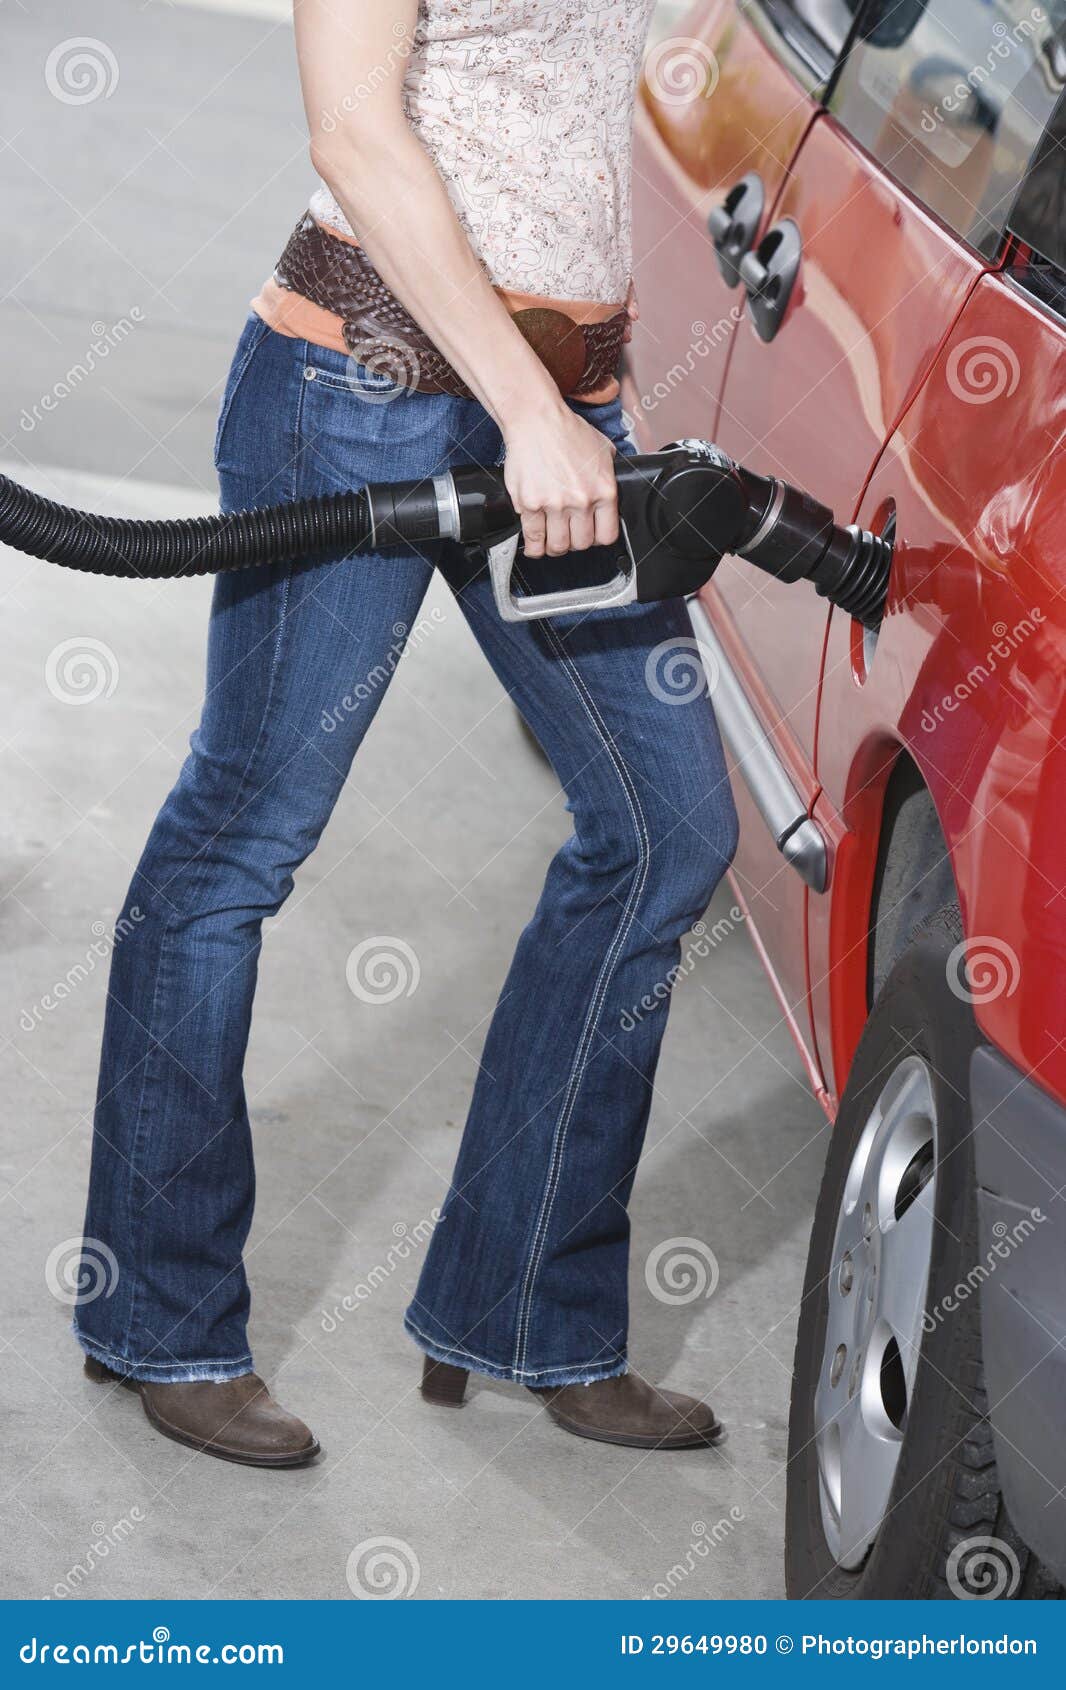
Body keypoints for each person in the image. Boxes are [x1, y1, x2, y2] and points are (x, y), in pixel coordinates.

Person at [76, 0, 738, 1466]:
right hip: (354, 394)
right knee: (238, 842)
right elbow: (354, 136)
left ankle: (521, 1307)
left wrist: (565, 403)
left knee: (666, 828)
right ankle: (158, 1318)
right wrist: (529, 409)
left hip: (567, 406)